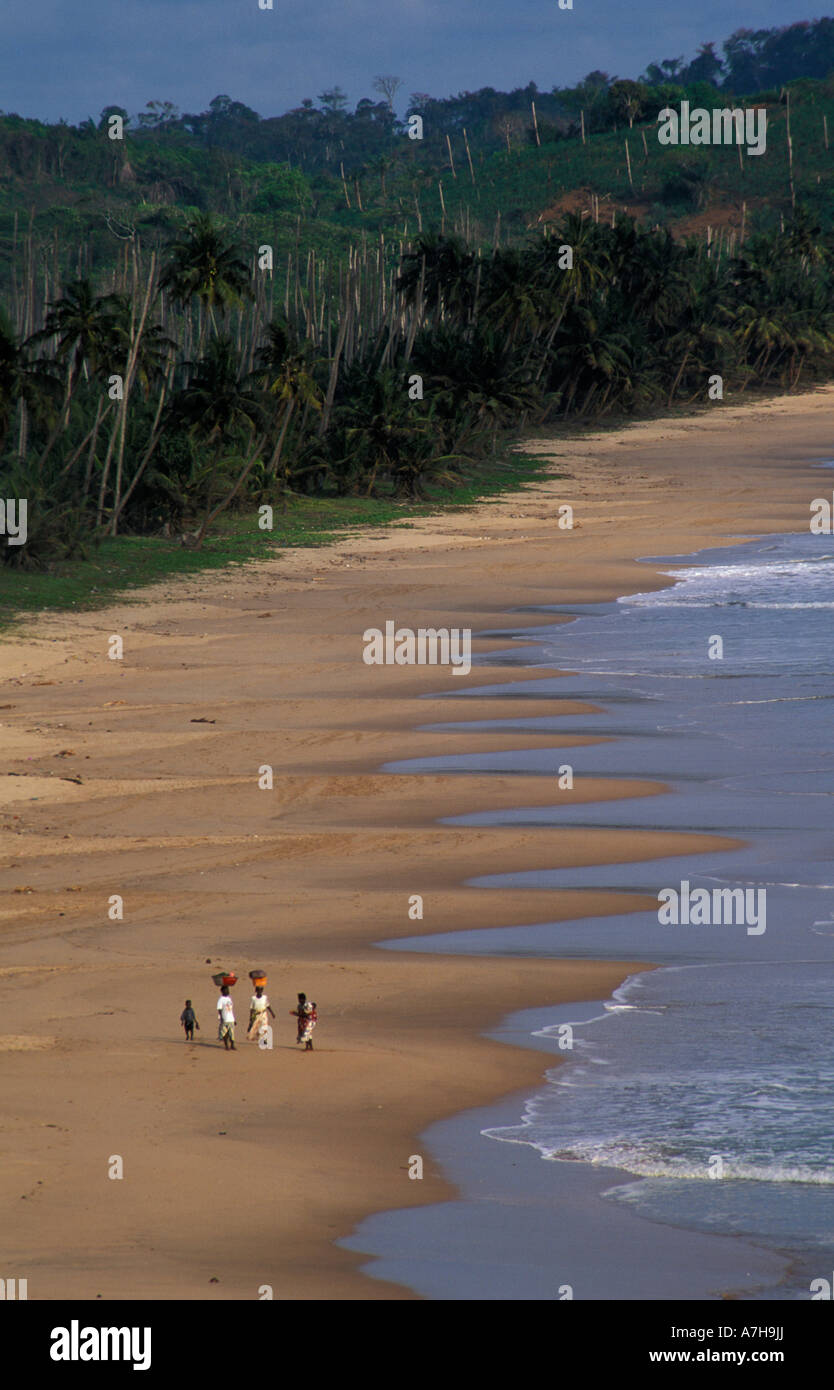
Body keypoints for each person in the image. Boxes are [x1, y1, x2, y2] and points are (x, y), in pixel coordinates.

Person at [217, 985, 236, 1051]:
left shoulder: (229, 998)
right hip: (225, 1018)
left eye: (228, 990)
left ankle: (232, 1045)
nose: (228, 991)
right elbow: (219, 1009)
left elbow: (231, 1010)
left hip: (231, 1019)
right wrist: (221, 1018)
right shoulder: (221, 999)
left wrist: (234, 1019)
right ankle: (226, 1045)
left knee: (232, 1033)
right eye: (226, 990)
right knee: (225, 1033)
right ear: (222, 991)